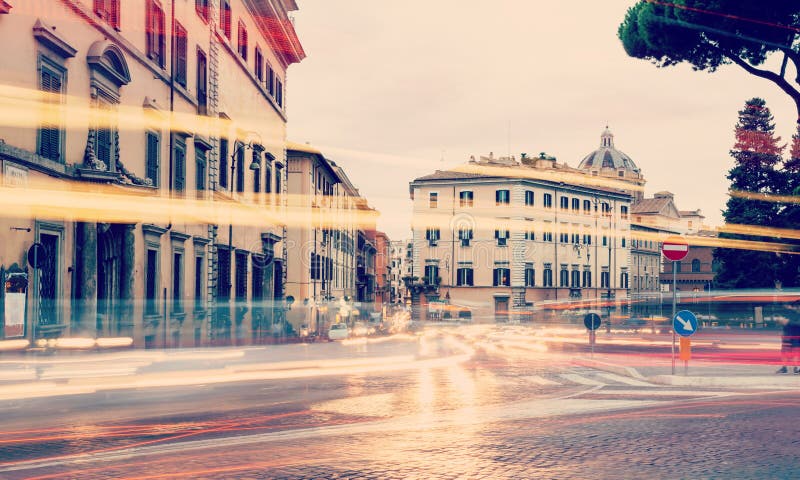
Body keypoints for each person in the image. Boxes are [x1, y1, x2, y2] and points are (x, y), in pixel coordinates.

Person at [777, 303, 800, 374]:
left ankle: (794, 368)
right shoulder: (789, 313)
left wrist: (787, 322)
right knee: (787, 352)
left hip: (795, 336)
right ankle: (787, 368)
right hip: (789, 336)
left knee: (794, 352)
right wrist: (781, 322)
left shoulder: (792, 313)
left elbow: (797, 324)